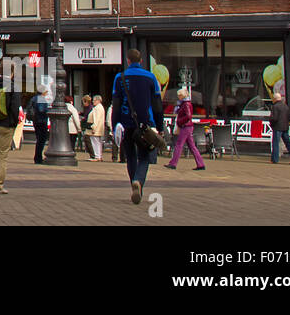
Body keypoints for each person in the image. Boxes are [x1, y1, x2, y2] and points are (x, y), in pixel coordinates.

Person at [111, 49, 164, 205]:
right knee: (145, 157)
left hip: (126, 123)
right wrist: (159, 126)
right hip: (145, 125)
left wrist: (115, 125)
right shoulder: (150, 77)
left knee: (130, 156)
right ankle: (139, 181)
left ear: (128, 60)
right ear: (140, 61)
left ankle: (134, 183)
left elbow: (116, 103)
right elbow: (157, 105)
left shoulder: (119, 78)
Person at [164, 87, 206, 171]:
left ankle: (173, 163)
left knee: (179, 145)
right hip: (188, 126)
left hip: (185, 126)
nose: (178, 97)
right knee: (192, 146)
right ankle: (200, 164)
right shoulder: (186, 103)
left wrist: (180, 121)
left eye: (179, 95)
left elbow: (188, 116)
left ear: (182, 95)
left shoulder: (185, 104)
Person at [268, 92, 290, 165]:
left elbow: (274, 118)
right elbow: (289, 117)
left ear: (274, 99)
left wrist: (271, 122)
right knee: (288, 143)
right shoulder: (285, 106)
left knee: (275, 143)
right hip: (285, 127)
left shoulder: (275, 106)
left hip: (277, 127)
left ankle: (275, 159)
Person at [31, 87, 51, 164]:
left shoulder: (34, 98)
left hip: (36, 121)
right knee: (41, 140)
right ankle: (38, 158)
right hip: (41, 121)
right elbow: (41, 110)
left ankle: (37, 157)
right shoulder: (41, 99)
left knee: (39, 140)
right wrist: (49, 111)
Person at [86, 95, 106, 161]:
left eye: (94, 100)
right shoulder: (98, 107)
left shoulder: (98, 108)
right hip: (97, 128)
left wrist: (93, 127)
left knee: (95, 142)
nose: (93, 101)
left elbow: (96, 119)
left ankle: (97, 156)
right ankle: (98, 156)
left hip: (96, 128)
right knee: (97, 142)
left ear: (98, 101)